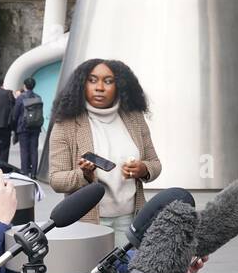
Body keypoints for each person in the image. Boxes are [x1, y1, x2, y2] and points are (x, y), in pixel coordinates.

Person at [48, 59, 161, 242]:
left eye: (108, 81)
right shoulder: (66, 123)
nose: (99, 87)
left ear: (120, 86)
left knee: (129, 270)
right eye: (92, 80)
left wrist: (143, 169)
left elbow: (155, 164)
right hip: (88, 222)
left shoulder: (134, 118)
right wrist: (83, 175)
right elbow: (55, 179)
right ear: (82, 84)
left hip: (132, 219)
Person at [13, 76, 45, 178]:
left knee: (24, 150)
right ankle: (34, 173)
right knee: (33, 150)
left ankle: (25, 172)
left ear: (25, 86)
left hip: (23, 127)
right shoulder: (38, 97)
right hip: (35, 127)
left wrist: (14, 127)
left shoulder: (21, 97)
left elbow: (15, 114)